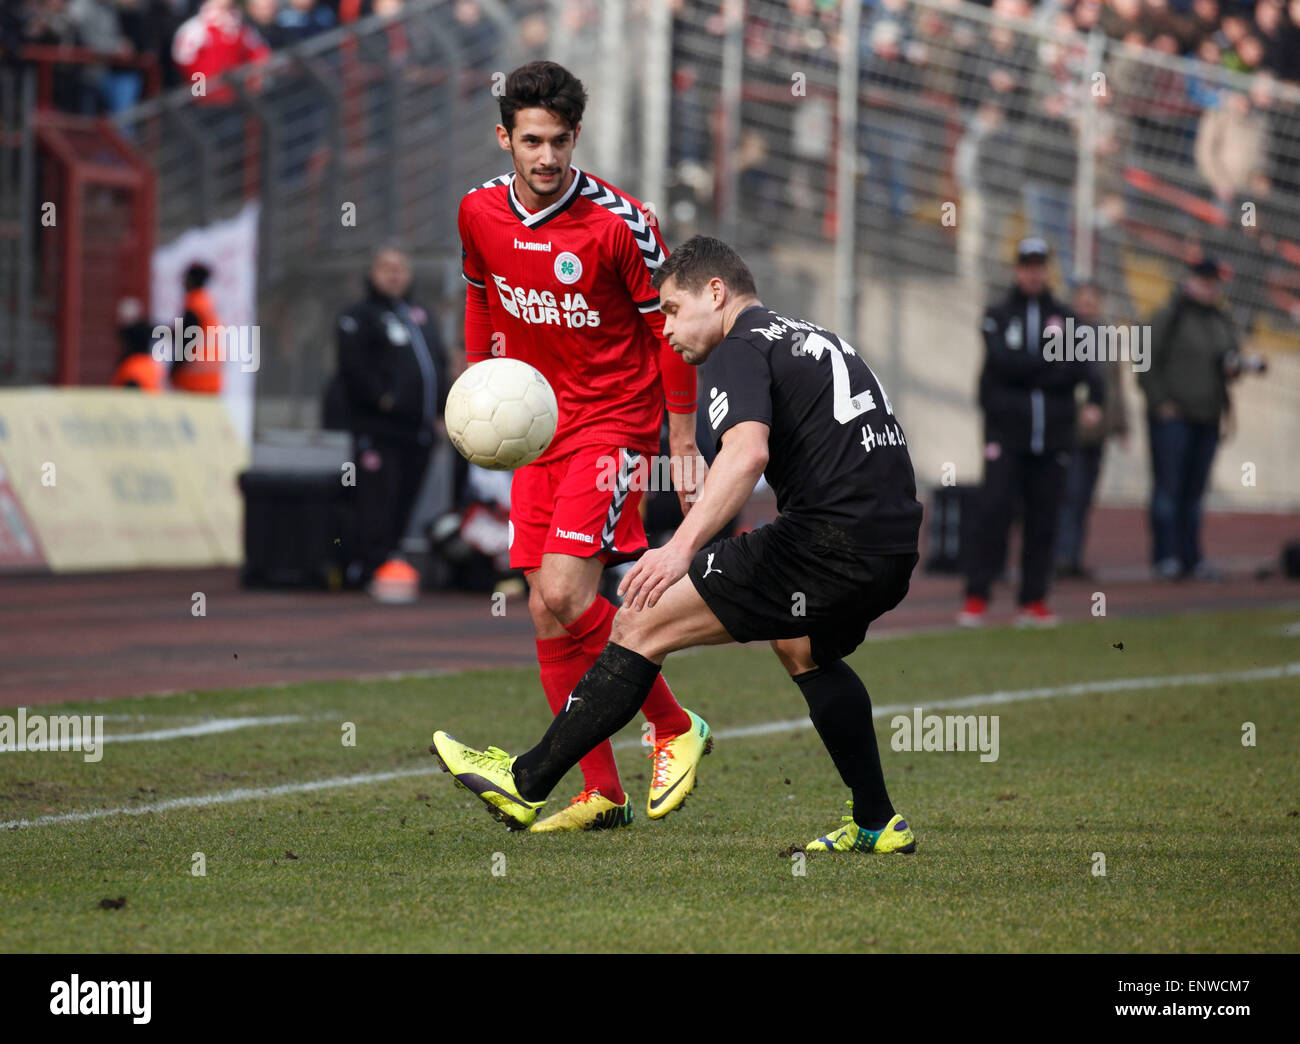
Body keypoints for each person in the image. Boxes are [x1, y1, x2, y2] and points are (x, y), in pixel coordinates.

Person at [431, 235, 924, 855]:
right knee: (802, 646)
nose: (663, 328)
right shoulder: (807, 335)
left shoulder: (738, 346)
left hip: (827, 540)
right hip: (894, 542)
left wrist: (678, 549)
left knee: (638, 622)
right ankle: (878, 823)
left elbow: (748, 452)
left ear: (716, 293)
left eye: (669, 309)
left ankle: (525, 780)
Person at [456, 61, 708, 833]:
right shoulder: (476, 212)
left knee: (567, 594)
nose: (547, 158)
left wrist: (683, 435)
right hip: (535, 427)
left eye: (561, 141)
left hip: (612, 423)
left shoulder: (619, 221)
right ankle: (601, 791)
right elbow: (478, 294)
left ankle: (673, 725)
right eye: (531, 140)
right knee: (543, 609)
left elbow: (665, 329)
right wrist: (477, 394)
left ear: (576, 138)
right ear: (505, 137)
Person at [959, 238, 1103, 627]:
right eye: (1027, 264)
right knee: (995, 511)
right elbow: (1002, 363)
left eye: (1040, 264)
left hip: (1053, 437)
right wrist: (1048, 367)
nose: (1033, 272)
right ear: (1016, 269)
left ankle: (1034, 599)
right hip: (1006, 434)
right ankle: (977, 595)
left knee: (1045, 518)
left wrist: (1032, 368)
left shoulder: (1066, 317)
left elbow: (1080, 369)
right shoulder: (999, 313)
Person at [333, 245, 447, 587]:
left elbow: (436, 366)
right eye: (387, 268)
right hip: (379, 430)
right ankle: (364, 568)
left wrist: (441, 412)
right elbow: (353, 367)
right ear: (373, 273)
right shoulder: (359, 314)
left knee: (405, 500)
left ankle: (389, 563)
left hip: (420, 431)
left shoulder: (420, 314)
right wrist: (385, 400)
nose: (394, 275)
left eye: (401, 268)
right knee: (376, 500)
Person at [1139, 257, 1241, 580]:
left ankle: (1191, 556)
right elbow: (1144, 359)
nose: (1210, 288)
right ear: (1190, 280)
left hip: (1208, 417)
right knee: (1168, 490)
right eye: (1205, 281)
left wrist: (1234, 367)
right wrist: (1160, 402)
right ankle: (1166, 556)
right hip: (1174, 418)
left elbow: (1231, 358)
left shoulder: (1220, 320)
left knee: (1195, 493)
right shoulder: (1169, 315)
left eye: (1214, 283)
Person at [1054, 282, 1129, 580]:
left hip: (1097, 433)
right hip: (1069, 432)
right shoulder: (1061, 336)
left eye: (1092, 301)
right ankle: (1060, 556)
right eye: (1082, 301)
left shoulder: (1107, 337)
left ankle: (1072, 557)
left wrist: (1121, 425)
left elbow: (1115, 386)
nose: (1086, 306)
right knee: (1068, 494)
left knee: (1084, 496)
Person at [171, 262, 223, 394]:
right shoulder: (208, 304)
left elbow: (186, 342)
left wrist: (173, 371)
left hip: (192, 382)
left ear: (191, 280)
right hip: (212, 381)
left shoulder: (194, 307)